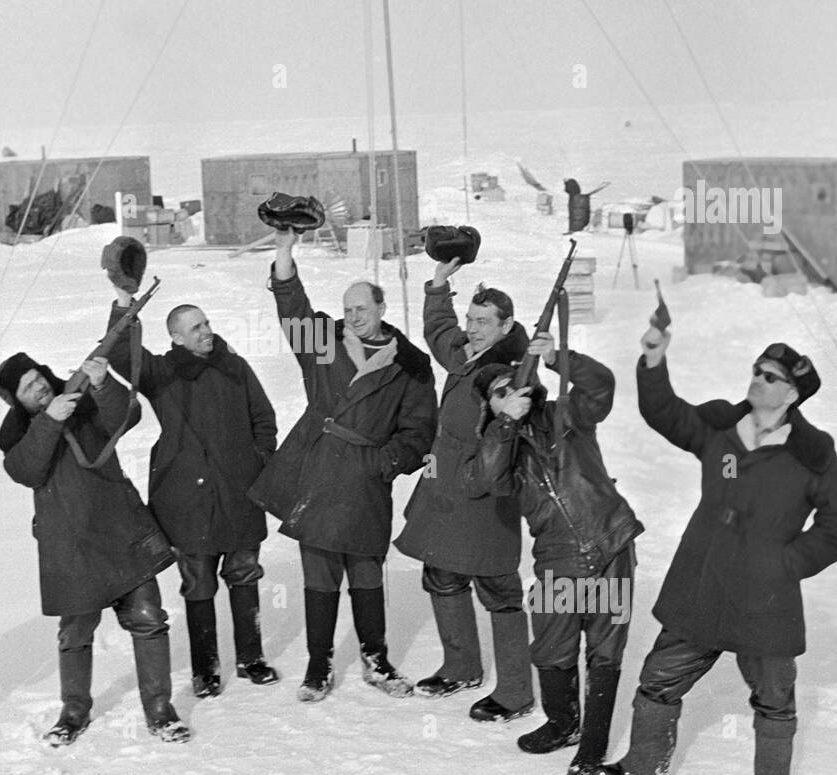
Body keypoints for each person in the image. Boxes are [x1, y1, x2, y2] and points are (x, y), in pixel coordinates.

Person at [596, 334, 837, 775]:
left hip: (765, 597)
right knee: (658, 677)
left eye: (770, 377)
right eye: (756, 370)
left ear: (792, 394)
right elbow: (666, 413)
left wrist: (785, 563)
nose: (757, 380)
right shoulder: (721, 427)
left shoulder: (811, 452)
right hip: (703, 582)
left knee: (774, 698)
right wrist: (653, 361)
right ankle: (645, 764)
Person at [249, 227, 437, 701]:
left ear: (382, 310)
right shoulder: (325, 341)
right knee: (319, 572)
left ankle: (376, 659)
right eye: (347, 308)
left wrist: (384, 462)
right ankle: (319, 663)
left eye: (362, 309)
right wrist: (285, 252)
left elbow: (418, 433)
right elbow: (292, 308)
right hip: (317, 471)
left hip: (366, 480)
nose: (352, 317)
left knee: (367, 571)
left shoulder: (410, 366)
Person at [464, 333, 643, 775]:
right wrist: (505, 426)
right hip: (558, 557)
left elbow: (601, 387)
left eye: (512, 384)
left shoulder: (565, 415)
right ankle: (563, 724)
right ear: (490, 406)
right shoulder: (496, 444)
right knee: (552, 644)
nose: (509, 395)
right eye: (497, 394)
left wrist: (557, 358)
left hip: (610, 542)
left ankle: (593, 747)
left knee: (604, 649)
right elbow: (483, 479)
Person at [0, 351, 189, 744]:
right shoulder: (18, 438)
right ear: (18, 402)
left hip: (120, 531)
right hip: (71, 549)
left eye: (39, 377)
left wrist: (102, 384)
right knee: (75, 633)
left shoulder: (84, 406)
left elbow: (125, 417)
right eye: (28, 387)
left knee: (149, 619)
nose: (39, 387)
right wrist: (50, 421)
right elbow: (27, 469)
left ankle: (160, 710)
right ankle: (74, 711)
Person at [106, 286, 280, 697]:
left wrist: (256, 459)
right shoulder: (162, 372)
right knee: (198, 583)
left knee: (244, 575)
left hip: (239, 492)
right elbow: (118, 355)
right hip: (187, 499)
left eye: (207, 323)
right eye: (196, 327)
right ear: (177, 338)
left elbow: (264, 417)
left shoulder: (234, 366)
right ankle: (206, 668)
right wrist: (123, 302)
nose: (206, 332)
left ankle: (251, 659)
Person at [394, 255, 535, 722]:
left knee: (498, 588)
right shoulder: (465, 351)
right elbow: (439, 330)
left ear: (506, 324)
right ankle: (461, 666)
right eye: (471, 320)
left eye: (483, 322)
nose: (473, 329)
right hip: (444, 487)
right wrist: (438, 286)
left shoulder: (501, 367)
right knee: (441, 575)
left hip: (483, 492)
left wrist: (508, 402)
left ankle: (515, 693)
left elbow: (503, 390)